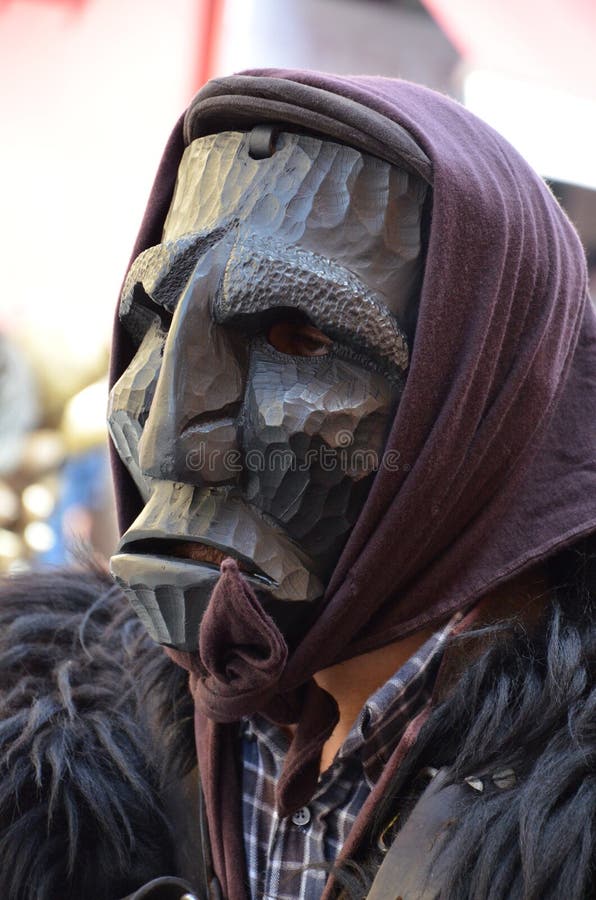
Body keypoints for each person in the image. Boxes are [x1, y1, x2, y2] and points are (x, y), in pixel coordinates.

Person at [1, 70, 595, 900]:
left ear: (481, 403)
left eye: (298, 338)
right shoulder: (59, 764)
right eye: (156, 325)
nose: (170, 438)